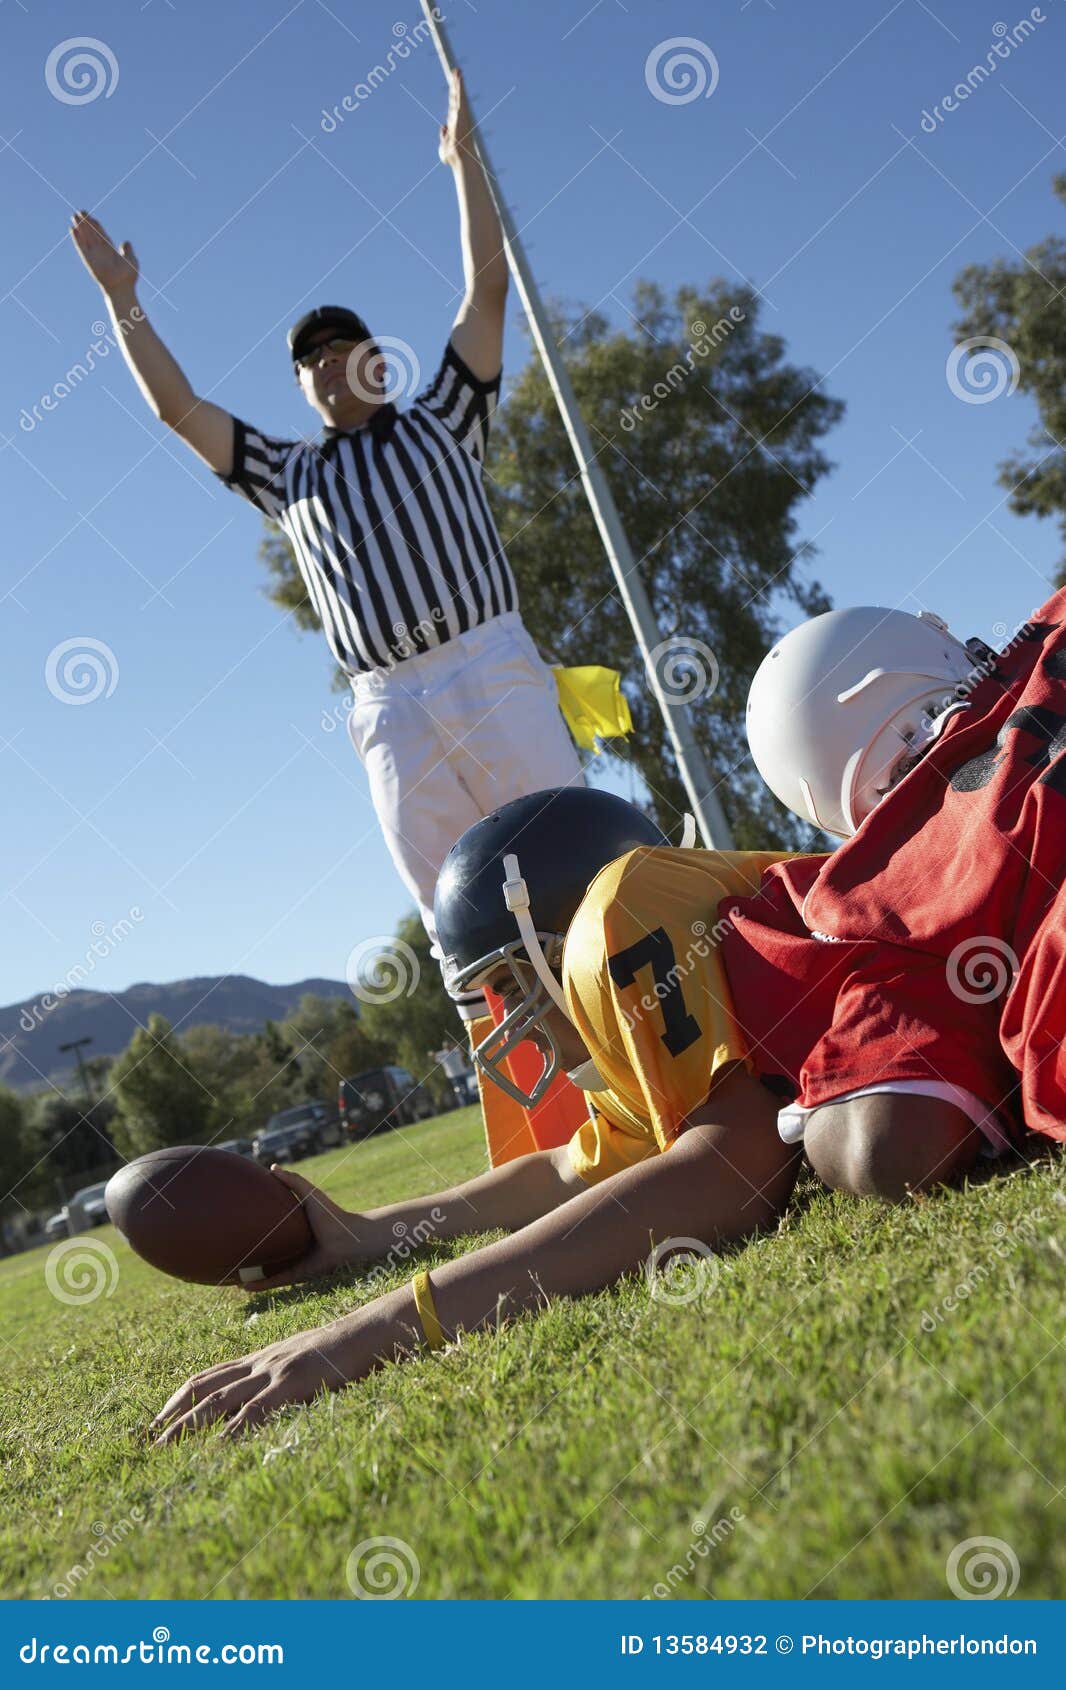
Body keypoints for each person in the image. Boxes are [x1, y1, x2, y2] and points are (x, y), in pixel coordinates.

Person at [152, 573, 1066, 1443]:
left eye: (510, 985)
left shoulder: (628, 909)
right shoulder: (656, 985)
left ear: (554, 932)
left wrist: (376, 1330)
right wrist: (373, 1232)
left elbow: (731, 1167)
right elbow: (570, 1171)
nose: (510, 1022)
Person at [68, 68, 582, 1024]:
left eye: (339, 347)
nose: (323, 365)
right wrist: (123, 302)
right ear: (301, 385)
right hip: (388, 706)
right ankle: (535, 1090)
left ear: (374, 357)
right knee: (456, 912)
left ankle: (662, 1038)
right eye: (305, 360)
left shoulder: (446, 417)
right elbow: (180, 410)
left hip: (488, 664)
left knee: (569, 854)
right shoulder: (284, 470)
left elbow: (487, 284)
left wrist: (464, 160)